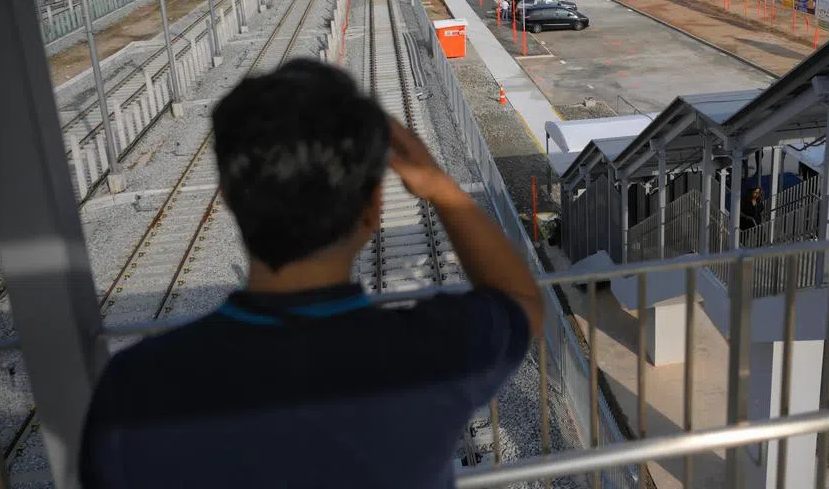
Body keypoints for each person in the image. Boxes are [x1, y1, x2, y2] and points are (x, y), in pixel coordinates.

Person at [80, 58, 544, 489]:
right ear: (372, 210)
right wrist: (440, 186)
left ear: (228, 198)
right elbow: (522, 302)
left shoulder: (133, 390)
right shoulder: (433, 356)